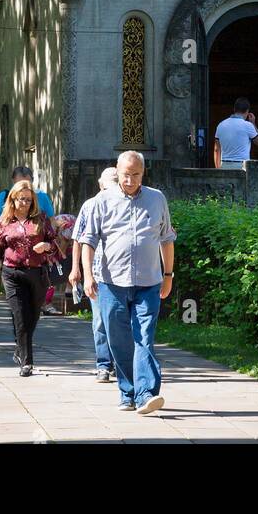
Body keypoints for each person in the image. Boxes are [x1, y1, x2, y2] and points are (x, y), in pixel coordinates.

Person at [78, 151, 175, 416]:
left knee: (144, 337)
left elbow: (167, 239)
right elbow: (88, 241)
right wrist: (87, 275)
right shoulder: (102, 201)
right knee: (119, 341)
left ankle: (146, 394)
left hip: (149, 282)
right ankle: (128, 392)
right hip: (111, 283)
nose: (130, 180)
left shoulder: (157, 199)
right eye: (126, 174)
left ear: (143, 173)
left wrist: (169, 276)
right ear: (117, 172)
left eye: (136, 174)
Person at [0, 180, 59, 376]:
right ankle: (27, 362)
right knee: (20, 317)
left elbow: (54, 244)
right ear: (12, 200)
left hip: (37, 274)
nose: (25, 203)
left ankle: (19, 349)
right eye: (21, 199)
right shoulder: (5, 223)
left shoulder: (41, 220)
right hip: (12, 274)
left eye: (28, 200)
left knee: (32, 317)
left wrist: (46, 247)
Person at [69, 167, 119, 382]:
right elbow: (78, 239)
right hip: (97, 271)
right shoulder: (90, 205)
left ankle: (119, 363)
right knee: (99, 320)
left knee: (118, 320)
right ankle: (104, 364)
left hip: (119, 272)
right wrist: (75, 269)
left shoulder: (124, 203)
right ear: (101, 185)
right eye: (110, 183)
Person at [213, 97, 258, 167]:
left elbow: (216, 150)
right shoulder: (248, 125)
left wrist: (218, 169)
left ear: (234, 109)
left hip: (224, 165)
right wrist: (253, 123)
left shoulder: (221, 125)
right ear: (247, 111)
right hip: (242, 166)